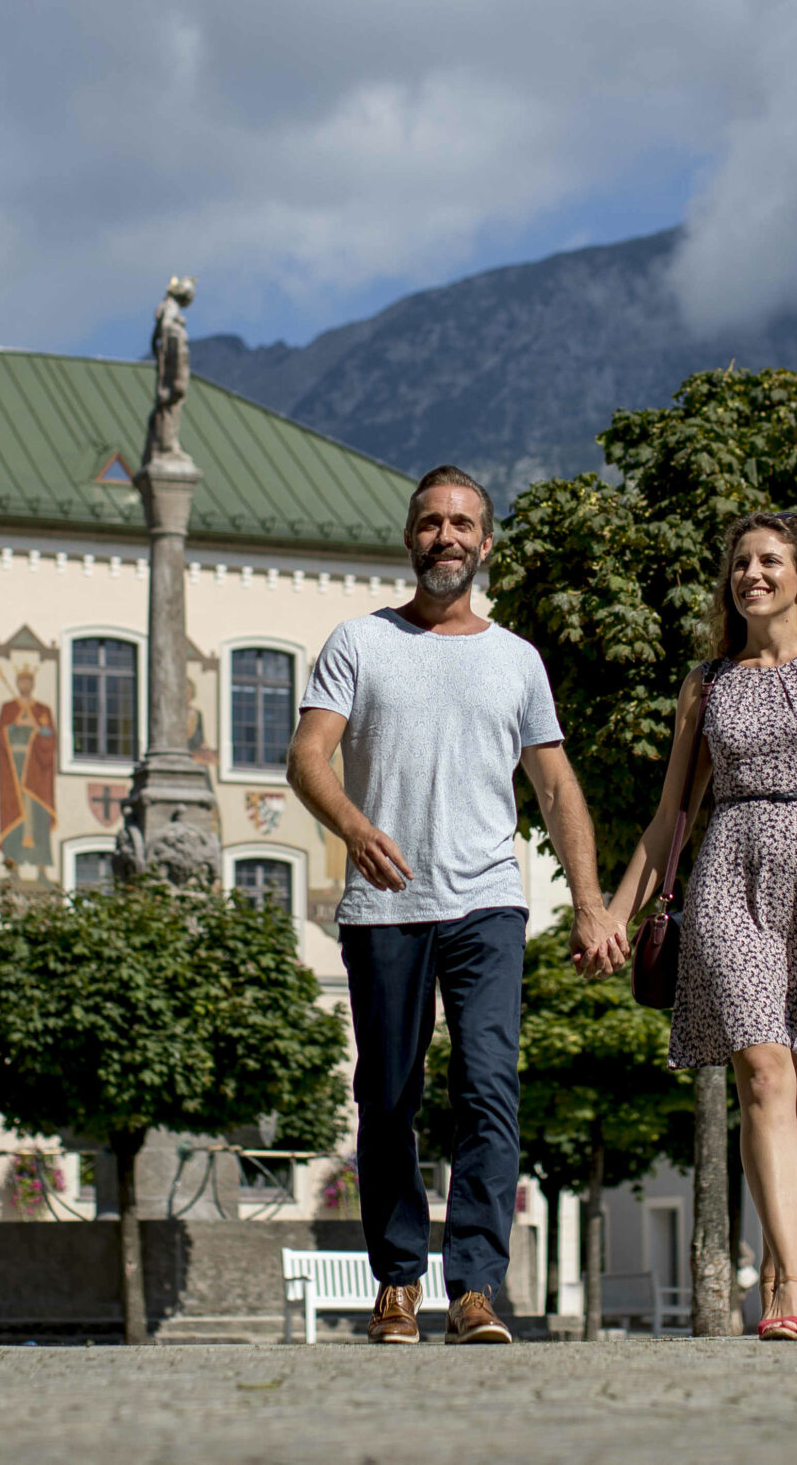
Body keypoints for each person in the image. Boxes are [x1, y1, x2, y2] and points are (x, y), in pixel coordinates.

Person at [288, 465, 619, 1345]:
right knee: (388, 1096)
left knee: (488, 1086)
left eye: (463, 523)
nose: (447, 537)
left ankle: (474, 1286)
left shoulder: (516, 660)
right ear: (411, 539)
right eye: (431, 523)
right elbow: (308, 757)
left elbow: (555, 787)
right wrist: (355, 829)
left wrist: (589, 903)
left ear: (485, 540)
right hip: (385, 906)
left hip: (486, 904)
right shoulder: (358, 642)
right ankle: (398, 1283)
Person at [607, 511, 797, 1341]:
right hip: (730, 873)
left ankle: (778, 1255)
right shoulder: (707, 683)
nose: (752, 575)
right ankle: (792, 1285)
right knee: (763, 1075)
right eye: (740, 562)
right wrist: (616, 916)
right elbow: (673, 813)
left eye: (770, 561)